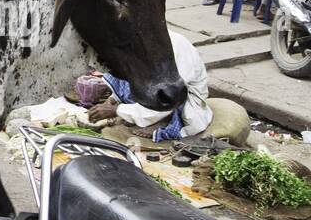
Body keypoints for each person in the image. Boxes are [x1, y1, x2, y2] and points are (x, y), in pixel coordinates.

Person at [87, 30, 251, 145]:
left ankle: (164, 122)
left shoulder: (176, 50)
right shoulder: (142, 45)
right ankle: (133, 112)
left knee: (166, 95)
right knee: (124, 70)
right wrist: (113, 99)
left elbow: (167, 100)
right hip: (156, 89)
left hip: (181, 101)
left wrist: (116, 111)